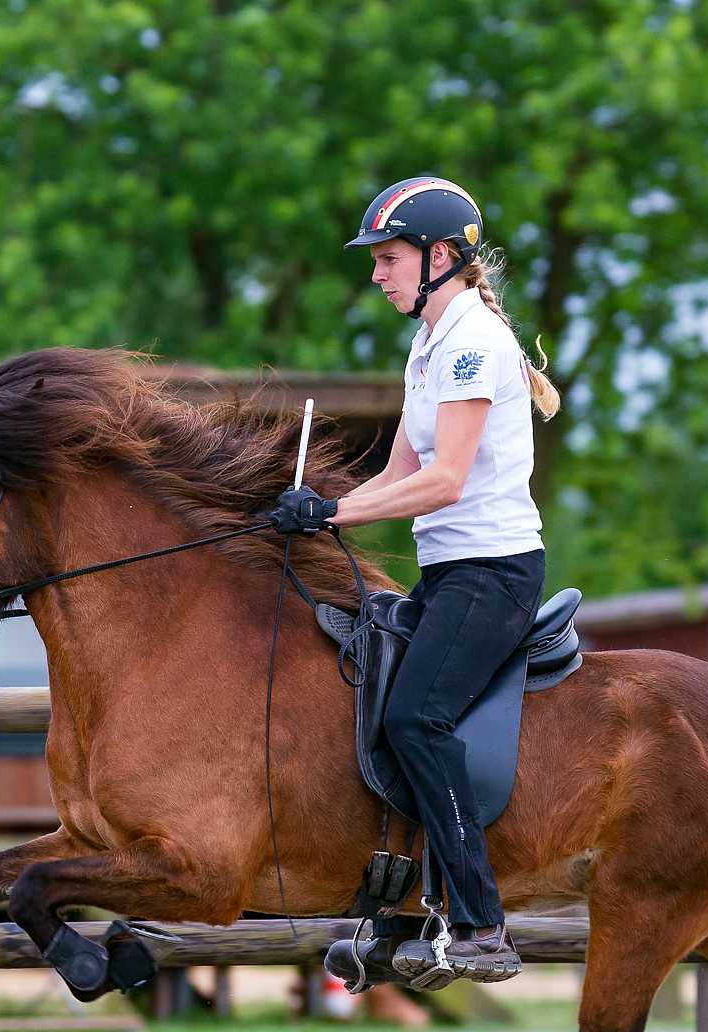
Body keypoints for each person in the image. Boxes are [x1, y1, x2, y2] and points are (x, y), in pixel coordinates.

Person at [270, 175, 562, 984]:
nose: (377, 274)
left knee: (416, 719)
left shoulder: (473, 343)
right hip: (447, 572)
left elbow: (445, 482)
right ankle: (400, 906)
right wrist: (316, 510)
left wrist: (334, 515)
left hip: (492, 573)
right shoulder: (428, 343)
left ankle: (479, 922)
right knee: (359, 691)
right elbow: (400, 466)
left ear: (440, 257)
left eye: (388, 258)